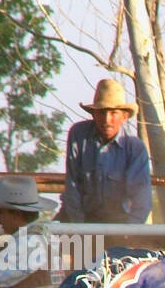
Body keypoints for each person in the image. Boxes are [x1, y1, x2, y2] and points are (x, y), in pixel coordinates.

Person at [56, 79, 152, 225]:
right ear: (93, 114)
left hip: (117, 226)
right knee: (38, 239)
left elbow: (142, 198)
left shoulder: (135, 148)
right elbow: (72, 187)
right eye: (101, 113)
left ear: (124, 116)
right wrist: (80, 228)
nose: (107, 120)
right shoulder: (79, 135)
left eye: (113, 113)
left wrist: (130, 232)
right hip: (77, 220)